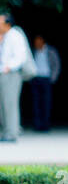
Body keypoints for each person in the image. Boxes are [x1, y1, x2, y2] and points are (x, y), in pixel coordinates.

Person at [0, 12, 32, 143]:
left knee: (10, 104)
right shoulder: (4, 37)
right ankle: (6, 131)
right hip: (3, 73)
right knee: (2, 105)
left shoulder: (15, 36)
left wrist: (10, 67)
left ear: (8, 24)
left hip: (12, 74)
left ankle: (12, 133)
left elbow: (21, 56)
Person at [30, 34, 61, 132]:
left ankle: (45, 125)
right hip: (36, 78)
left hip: (46, 79)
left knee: (46, 103)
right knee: (36, 103)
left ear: (43, 41)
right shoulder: (33, 51)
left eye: (38, 41)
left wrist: (53, 78)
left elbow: (56, 64)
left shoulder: (50, 51)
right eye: (35, 42)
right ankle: (37, 124)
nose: (36, 44)